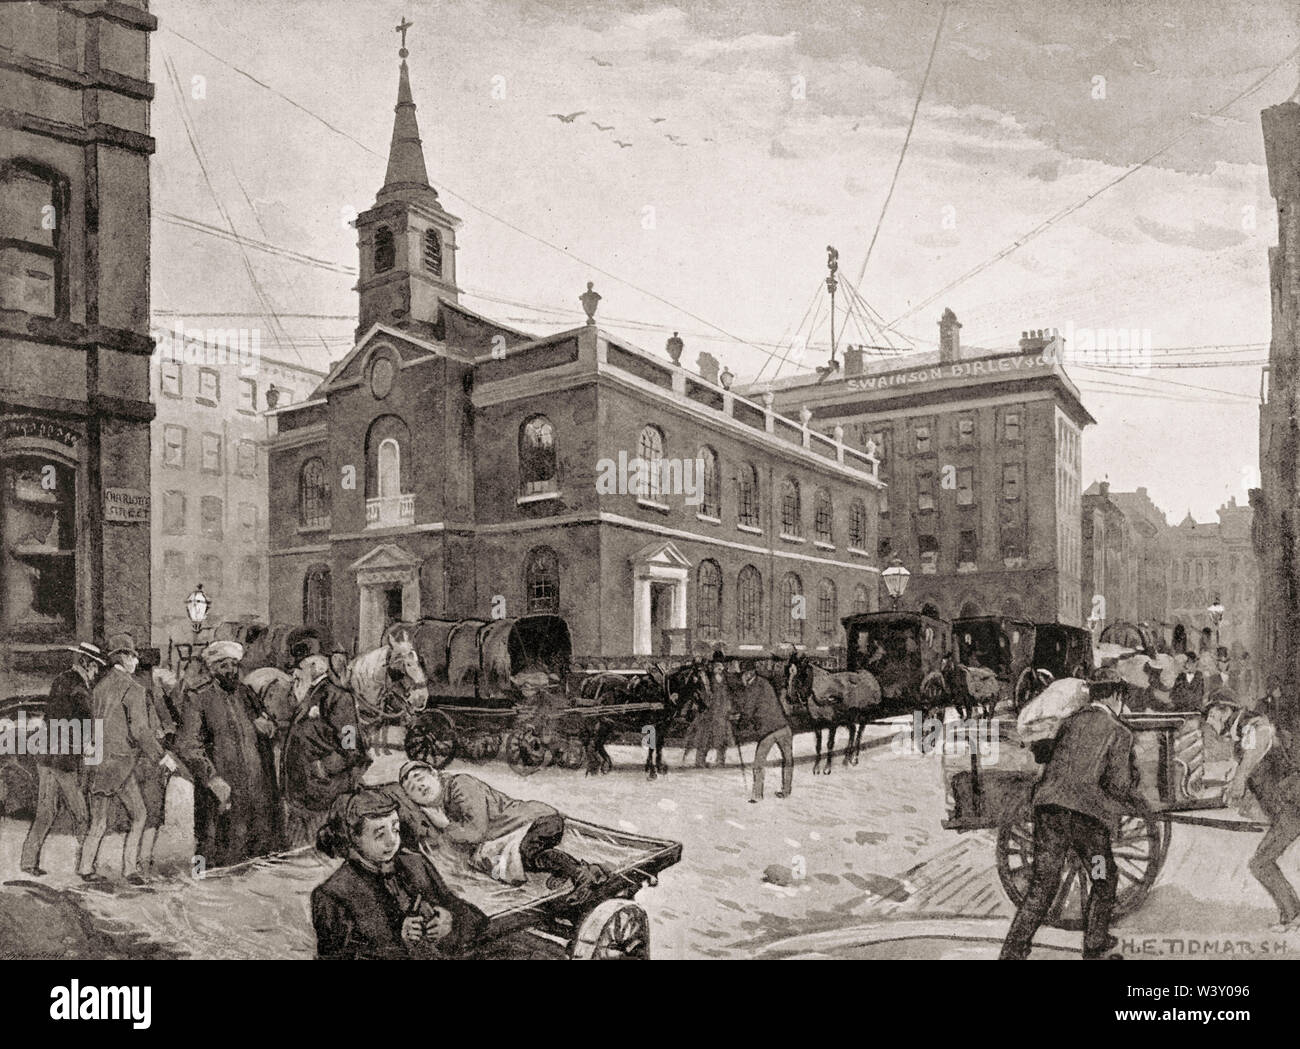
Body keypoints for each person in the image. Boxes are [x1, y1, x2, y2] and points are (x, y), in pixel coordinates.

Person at [1000, 670, 1147, 960]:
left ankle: (1012, 952)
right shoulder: (1119, 733)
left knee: (1042, 885)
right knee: (1104, 878)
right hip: (1087, 824)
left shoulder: (1068, 723)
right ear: (1115, 696)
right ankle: (1094, 945)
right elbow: (1118, 785)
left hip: (1049, 814)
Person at [310, 788, 489, 959]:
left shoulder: (415, 862)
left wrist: (451, 921)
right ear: (353, 838)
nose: (392, 841)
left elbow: (472, 915)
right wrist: (399, 940)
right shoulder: (332, 895)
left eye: (395, 829)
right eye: (380, 834)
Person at [392, 761, 608, 901]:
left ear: (433, 773)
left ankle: (584, 875)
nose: (419, 787)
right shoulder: (441, 805)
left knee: (526, 853)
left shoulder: (460, 785)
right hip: (515, 835)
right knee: (528, 860)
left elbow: (476, 832)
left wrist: (445, 826)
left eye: (420, 779)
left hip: (536, 820)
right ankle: (564, 869)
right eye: (412, 788)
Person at [175, 640, 286, 869]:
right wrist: (211, 777)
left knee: (253, 857)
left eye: (234, 664)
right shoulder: (198, 696)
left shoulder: (246, 693)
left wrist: (267, 726)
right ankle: (199, 882)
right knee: (212, 850)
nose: (231, 670)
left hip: (255, 789)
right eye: (224, 665)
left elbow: (266, 722)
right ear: (213, 668)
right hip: (221, 789)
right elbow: (187, 745)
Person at [79, 634, 177, 885]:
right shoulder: (134, 689)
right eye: (133, 655)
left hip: (99, 761)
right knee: (140, 815)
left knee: (99, 820)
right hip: (121, 764)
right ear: (124, 657)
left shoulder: (99, 687)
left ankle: (85, 867)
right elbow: (140, 731)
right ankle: (130, 869)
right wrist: (162, 756)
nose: (136, 660)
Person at [1203, 698, 1300, 931]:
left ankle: (1293, 915)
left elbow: (1263, 735)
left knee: (1261, 863)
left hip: (1292, 805)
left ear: (1225, 711)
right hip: (1287, 806)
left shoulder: (1252, 723)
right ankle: (1293, 914)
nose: (1209, 721)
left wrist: (1239, 779)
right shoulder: (1242, 731)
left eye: (1212, 714)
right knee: (1262, 862)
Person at [20, 641, 102, 876]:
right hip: (63, 760)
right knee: (82, 814)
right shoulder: (79, 688)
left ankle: (28, 862)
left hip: (46, 756)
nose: (96, 673)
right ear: (87, 664)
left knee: (45, 812)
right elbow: (86, 719)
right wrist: (89, 743)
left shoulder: (61, 680)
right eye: (95, 667)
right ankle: (85, 867)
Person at [283, 654, 372, 847]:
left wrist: (323, 767)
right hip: (298, 794)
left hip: (325, 794)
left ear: (315, 666)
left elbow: (351, 746)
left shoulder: (339, 697)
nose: (294, 675)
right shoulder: (304, 694)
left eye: (299, 668)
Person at [733, 663, 793, 803]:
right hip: (783, 726)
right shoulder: (765, 683)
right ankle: (786, 791)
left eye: (742, 674)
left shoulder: (753, 687)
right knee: (788, 759)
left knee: (759, 762)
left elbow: (748, 711)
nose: (741, 678)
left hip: (769, 731)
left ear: (748, 674)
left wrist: (739, 724)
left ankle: (758, 795)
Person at [692, 650, 737, 768]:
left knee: (722, 739)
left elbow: (730, 695)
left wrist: (730, 709)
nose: (719, 667)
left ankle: (720, 761)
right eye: (716, 665)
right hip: (709, 713)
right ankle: (700, 761)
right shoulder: (707, 679)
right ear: (712, 666)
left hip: (722, 713)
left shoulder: (727, 679)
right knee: (705, 738)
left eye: (721, 665)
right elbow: (701, 693)